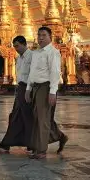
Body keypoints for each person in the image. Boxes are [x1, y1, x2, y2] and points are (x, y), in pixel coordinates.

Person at [26, 26, 68, 159]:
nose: (40, 38)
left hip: (46, 87)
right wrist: (28, 89)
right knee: (35, 117)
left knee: (43, 118)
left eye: (44, 35)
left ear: (50, 36)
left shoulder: (53, 52)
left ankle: (42, 150)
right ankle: (58, 138)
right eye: (39, 35)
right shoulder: (36, 53)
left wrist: (52, 92)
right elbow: (32, 73)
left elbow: (55, 72)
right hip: (35, 87)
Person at [0, 36, 34, 152]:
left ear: (24, 44)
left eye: (17, 46)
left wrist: (28, 90)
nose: (16, 48)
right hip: (20, 89)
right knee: (15, 116)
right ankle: (7, 142)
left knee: (28, 117)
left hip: (29, 90)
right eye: (14, 46)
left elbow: (33, 75)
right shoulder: (18, 58)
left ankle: (32, 143)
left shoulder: (32, 56)